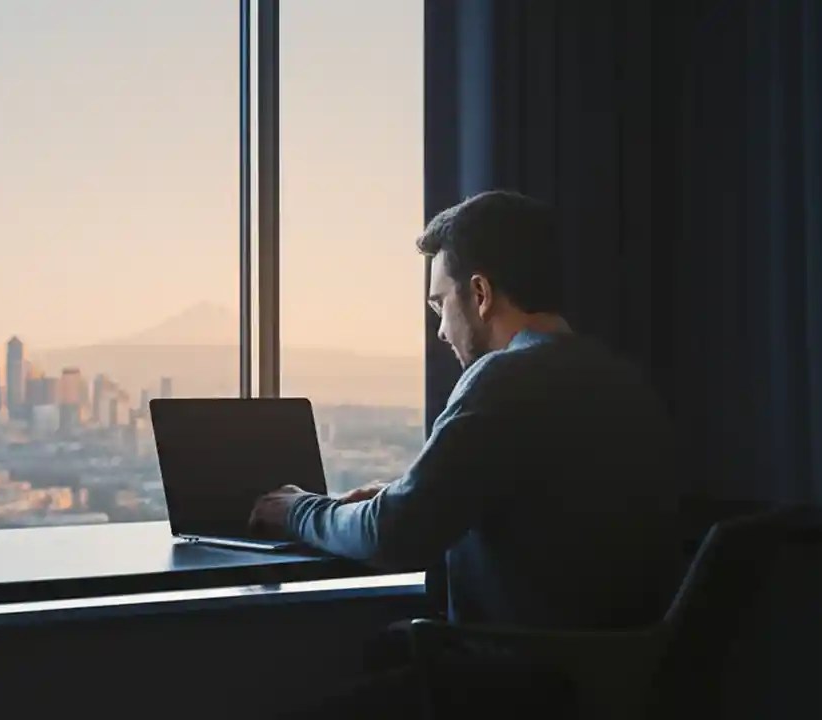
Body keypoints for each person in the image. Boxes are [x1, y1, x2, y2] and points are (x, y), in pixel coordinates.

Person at [251, 190, 687, 717]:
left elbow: (394, 535)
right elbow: (550, 518)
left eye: (440, 304)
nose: (439, 329)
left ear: (479, 293)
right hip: (610, 680)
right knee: (386, 648)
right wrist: (404, 498)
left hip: (518, 684)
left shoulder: (504, 378)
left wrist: (298, 509)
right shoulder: (623, 380)